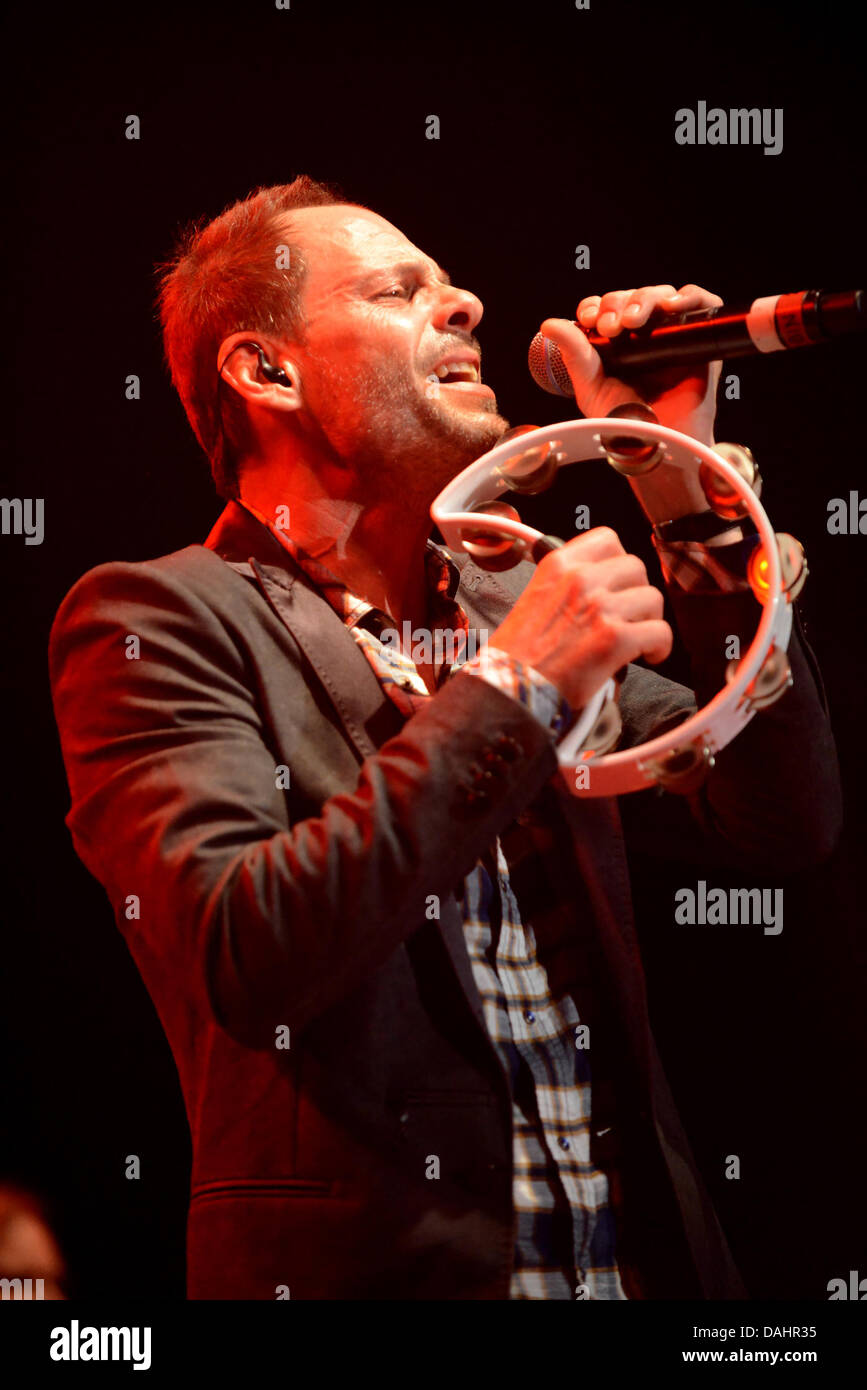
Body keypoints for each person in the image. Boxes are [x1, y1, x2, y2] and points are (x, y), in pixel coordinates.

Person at [48, 176, 841, 1300]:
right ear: (266, 369)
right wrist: (521, 683)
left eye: (452, 283)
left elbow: (776, 816)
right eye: (399, 289)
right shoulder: (156, 617)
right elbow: (246, 947)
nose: (466, 303)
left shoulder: (493, 597)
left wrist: (682, 481)